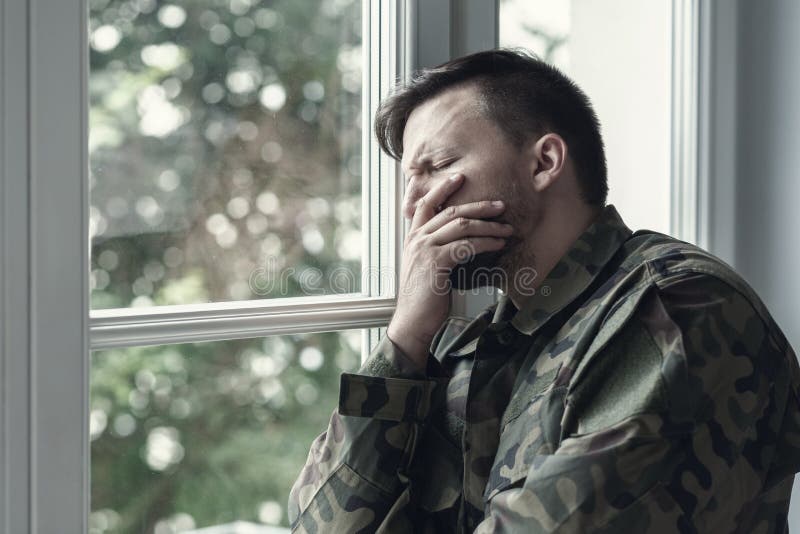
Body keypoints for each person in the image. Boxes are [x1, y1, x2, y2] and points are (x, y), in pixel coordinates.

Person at [287, 49, 800, 533]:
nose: (414, 207)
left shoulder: (676, 308)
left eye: (438, 166)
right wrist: (404, 340)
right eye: (408, 182)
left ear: (544, 162)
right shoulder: (464, 344)